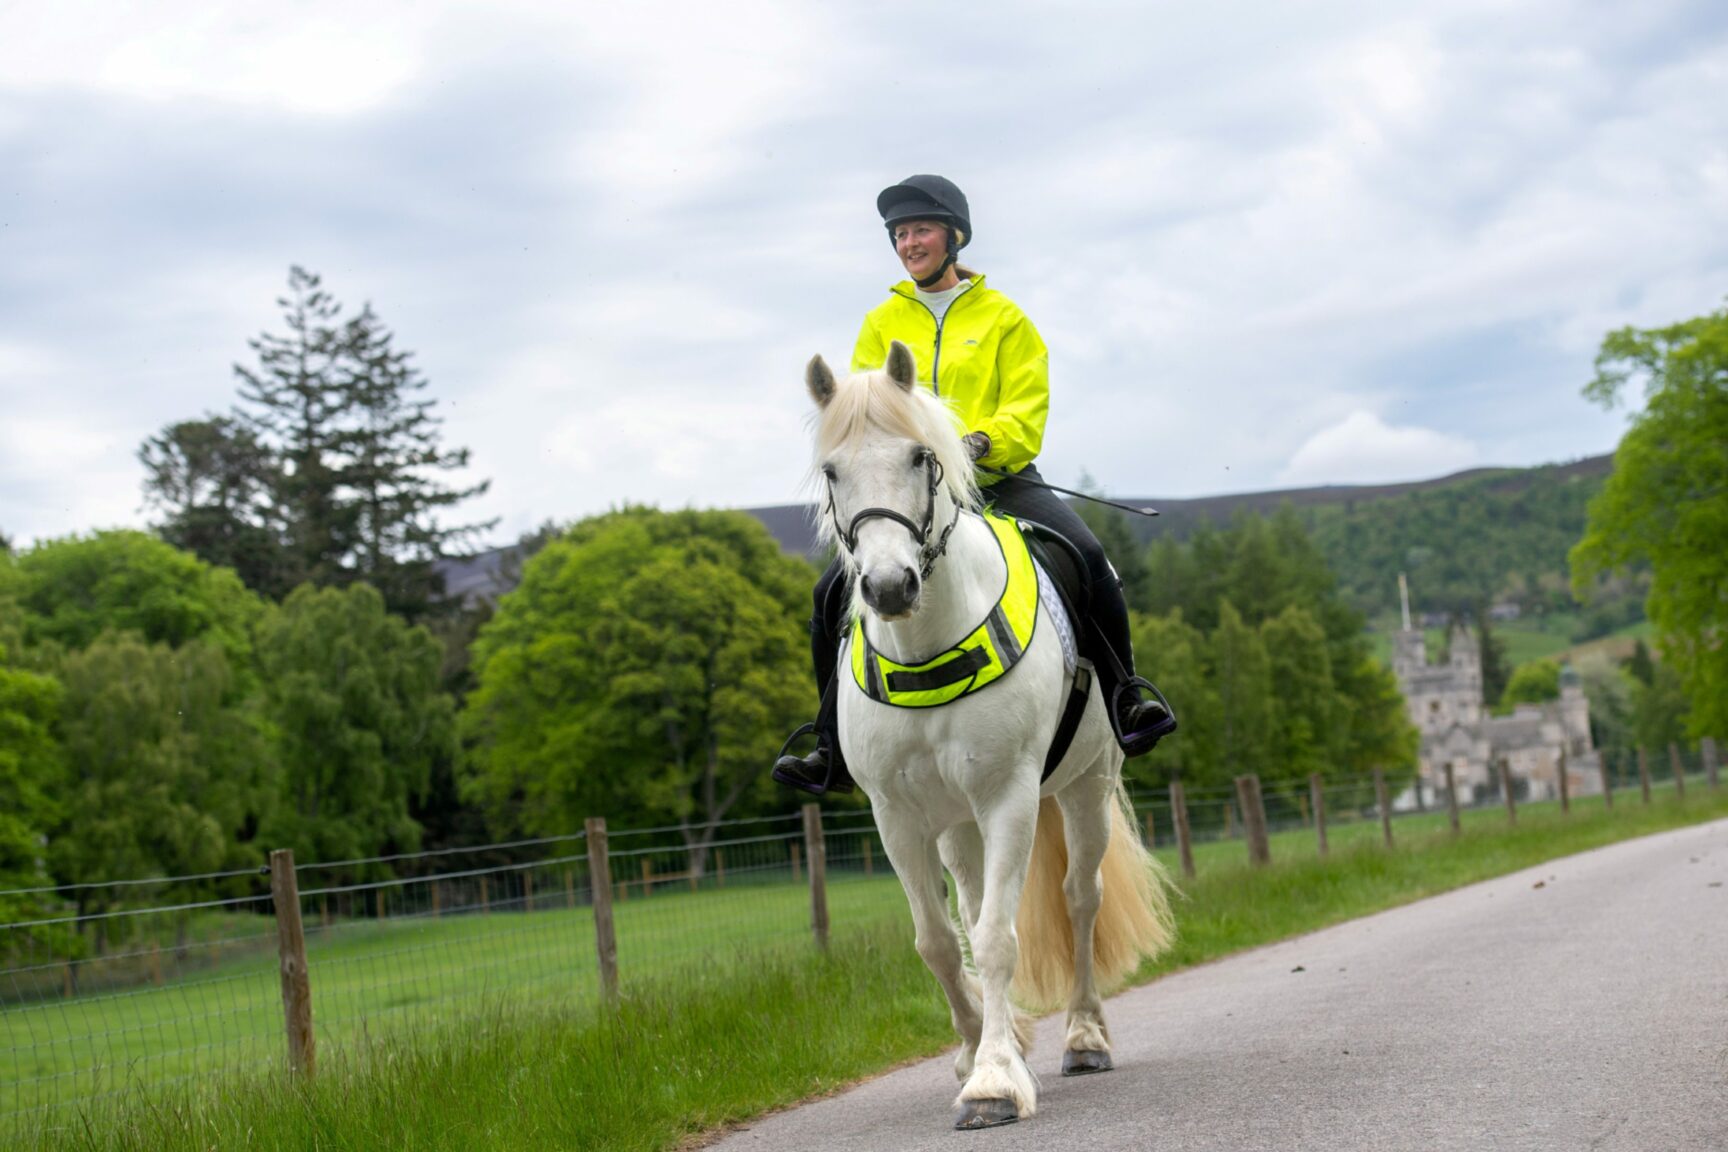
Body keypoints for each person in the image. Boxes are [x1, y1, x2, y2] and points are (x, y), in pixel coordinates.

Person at [773, 174, 1174, 796]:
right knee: (830, 594)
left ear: (954, 236)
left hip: (996, 478)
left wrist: (981, 442)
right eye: (900, 234)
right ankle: (830, 742)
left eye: (921, 230)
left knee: (1088, 557)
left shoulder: (1004, 318)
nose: (910, 243)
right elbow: (864, 414)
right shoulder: (880, 323)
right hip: (909, 492)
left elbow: (1026, 407)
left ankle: (1127, 698)